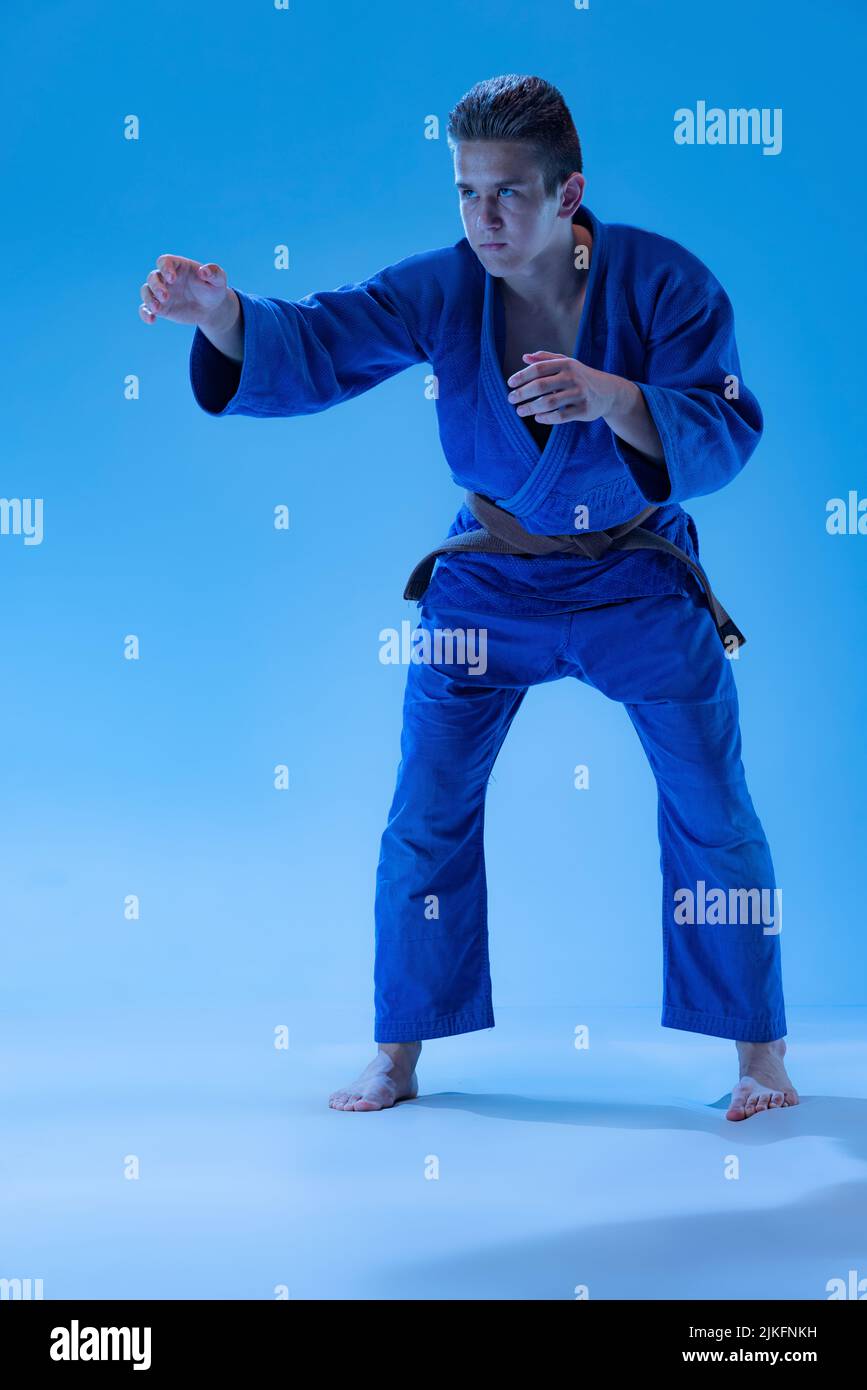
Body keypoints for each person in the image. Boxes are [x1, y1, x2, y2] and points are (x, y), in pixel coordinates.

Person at [137, 74, 798, 1122]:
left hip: (640, 582)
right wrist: (221, 313)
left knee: (715, 811)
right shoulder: (443, 288)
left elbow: (726, 426)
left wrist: (614, 395)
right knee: (424, 813)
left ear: (568, 191)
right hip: (488, 584)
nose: (483, 219)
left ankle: (758, 1055)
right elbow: (319, 339)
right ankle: (398, 1053)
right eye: (465, 192)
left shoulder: (669, 283)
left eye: (508, 195)